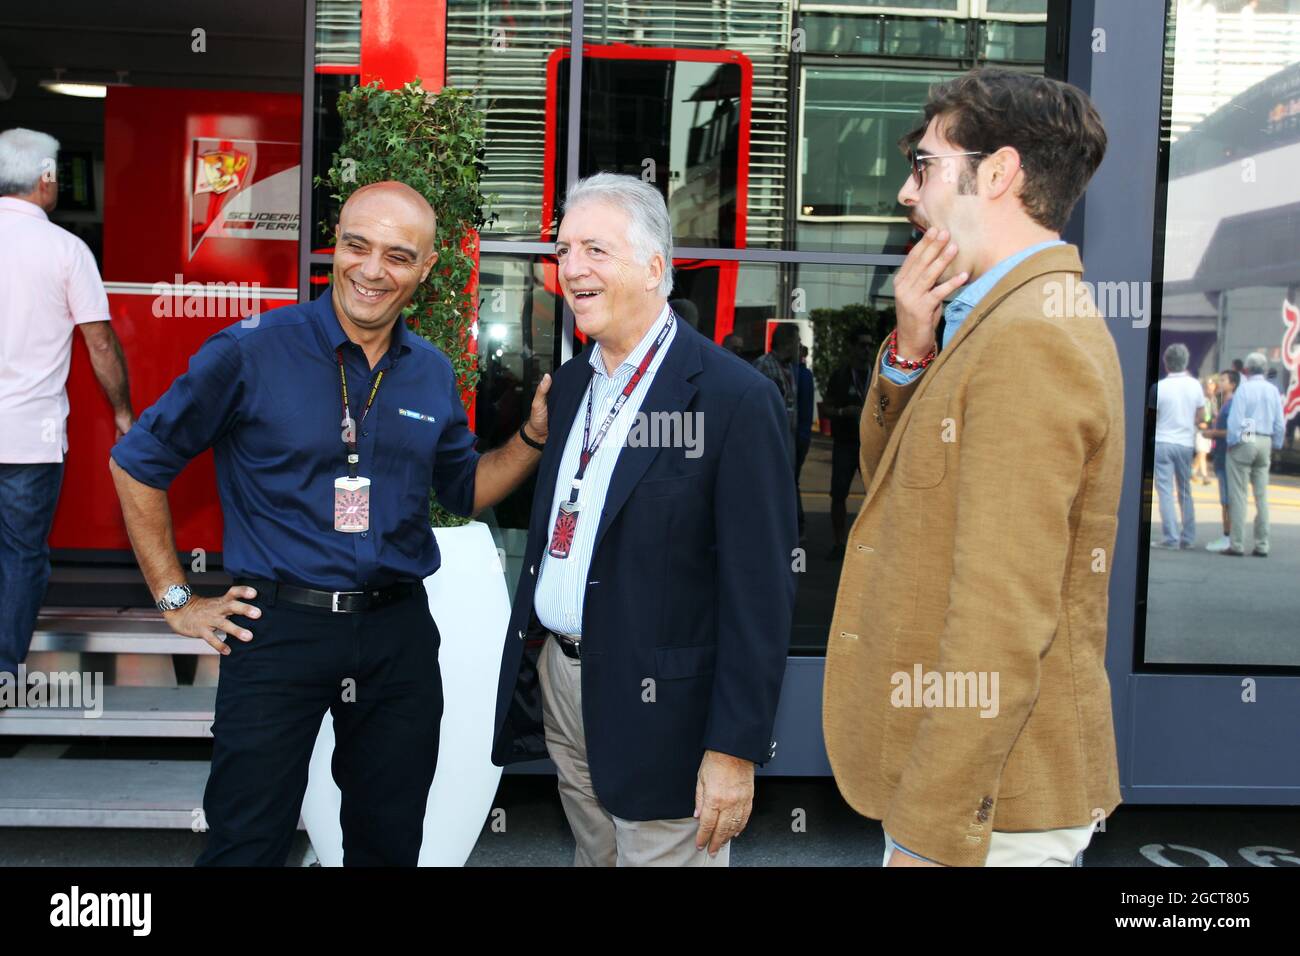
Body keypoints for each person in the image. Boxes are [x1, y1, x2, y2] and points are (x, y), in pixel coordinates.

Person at [110, 181, 550, 866]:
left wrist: (531, 435)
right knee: (247, 840)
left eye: (398, 256)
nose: (373, 271)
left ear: (426, 269)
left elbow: (464, 490)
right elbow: (138, 463)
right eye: (357, 246)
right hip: (279, 628)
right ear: (334, 248)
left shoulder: (431, 372)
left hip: (397, 633)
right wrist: (175, 599)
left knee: (390, 838)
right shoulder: (250, 352)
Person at [823, 69, 1121, 866]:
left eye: (924, 165)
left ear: (997, 173)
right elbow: (900, 493)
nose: (903, 192)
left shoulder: (1029, 338)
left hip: (984, 813)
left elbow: (1002, 619)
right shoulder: (994, 321)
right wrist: (913, 351)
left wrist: (933, 824)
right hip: (980, 802)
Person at [490, 173, 796, 867]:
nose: (571, 269)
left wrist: (733, 749)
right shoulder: (568, 387)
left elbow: (760, 595)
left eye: (594, 249)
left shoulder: (732, 400)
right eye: (564, 251)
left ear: (655, 267)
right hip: (565, 689)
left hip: (667, 717)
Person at [0, 127, 133, 687]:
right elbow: (100, 343)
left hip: (29, 436)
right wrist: (124, 413)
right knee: (21, 555)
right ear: (48, 179)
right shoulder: (65, 250)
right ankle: (4, 672)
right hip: (28, 437)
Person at [1223, 351, 1286, 557]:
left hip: (1247, 438)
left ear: (1247, 370)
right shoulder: (1272, 390)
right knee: (1261, 495)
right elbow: (1280, 422)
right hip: (1265, 439)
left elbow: (1237, 419)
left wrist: (1233, 441)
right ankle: (1262, 544)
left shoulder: (1245, 389)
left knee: (1239, 495)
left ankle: (1237, 543)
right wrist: (1275, 443)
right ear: (1265, 369)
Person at [823, 332, 872, 559]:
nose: (867, 350)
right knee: (839, 494)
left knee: (875, 495)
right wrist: (844, 412)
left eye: (870, 346)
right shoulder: (840, 376)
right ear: (852, 347)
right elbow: (826, 410)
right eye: (863, 345)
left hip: (871, 445)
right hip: (845, 443)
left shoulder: (877, 377)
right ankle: (838, 542)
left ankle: (871, 542)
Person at [1152, 343, 1204, 549]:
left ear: (1166, 364)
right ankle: (1188, 536)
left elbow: (1152, 417)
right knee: (1185, 491)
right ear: (1185, 362)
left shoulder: (1159, 387)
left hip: (1163, 441)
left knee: (1165, 491)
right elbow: (1200, 416)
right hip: (1185, 443)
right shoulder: (1195, 386)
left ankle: (1170, 537)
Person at [1202, 369, 1238, 553]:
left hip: (1225, 455)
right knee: (1225, 497)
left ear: (1232, 384)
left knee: (1226, 498)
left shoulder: (1232, 405)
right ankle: (1228, 536)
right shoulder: (1225, 403)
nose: (1220, 383)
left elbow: (1236, 432)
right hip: (1221, 454)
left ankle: (1228, 536)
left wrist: (1212, 433)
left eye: (1223, 380)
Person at [1192, 377, 1216, 485]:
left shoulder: (1214, 400)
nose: (1210, 391)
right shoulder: (1198, 400)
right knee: (1202, 452)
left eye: (1212, 389)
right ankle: (1205, 476)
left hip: (1209, 430)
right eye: (1208, 389)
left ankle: (1192, 472)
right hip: (1200, 430)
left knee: (1203, 453)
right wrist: (1198, 423)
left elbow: (1214, 415)